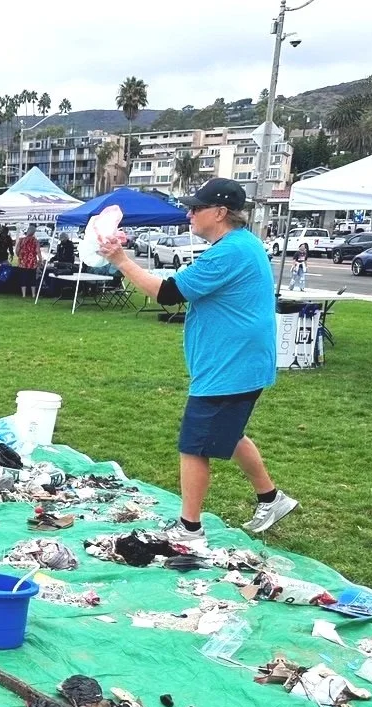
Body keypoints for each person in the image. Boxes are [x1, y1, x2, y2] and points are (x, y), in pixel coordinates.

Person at [98, 177, 298, 545]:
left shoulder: (231, 251)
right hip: (240, 364)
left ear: (220, 213)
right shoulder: (241, 244)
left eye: (196, 208)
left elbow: (168, 293)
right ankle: (271, 498)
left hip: (231, 367)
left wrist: (120, 260)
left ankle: (190, 528)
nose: (189, 213)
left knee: (194, 444)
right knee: (229, 433)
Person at [15, 224, 41, 297]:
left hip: (23, 262)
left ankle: (24, 295)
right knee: (32, 278)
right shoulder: (35, 241)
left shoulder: (21, 240)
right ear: (34, 232)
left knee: (23, 278)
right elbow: (38, 251)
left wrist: (20, 256)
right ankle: (33, 294)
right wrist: (40, 260)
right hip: (32, 262)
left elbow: (17, 250)